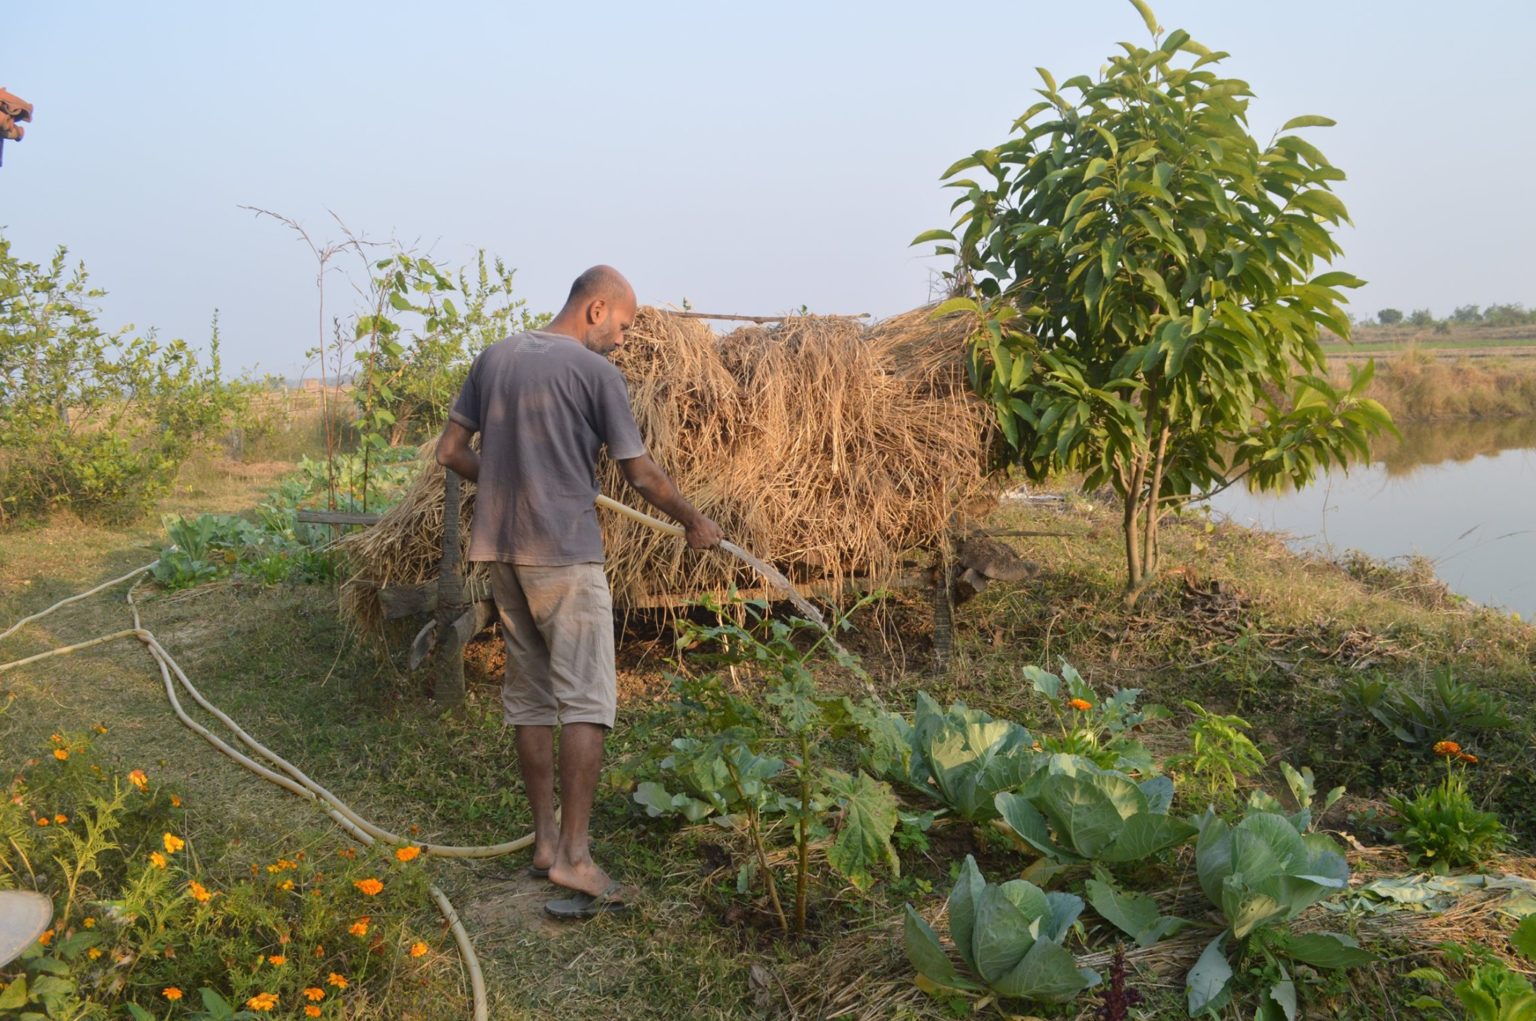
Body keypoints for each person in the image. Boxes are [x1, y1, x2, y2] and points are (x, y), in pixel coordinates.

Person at [435, 265, 721, 918]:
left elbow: (451, 450)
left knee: (532, 698)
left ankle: (543, 845)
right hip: (563, 555)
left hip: (501, 551)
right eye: (621, 326)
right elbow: (642, 473)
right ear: (595, 310)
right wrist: (695, 522)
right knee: (587, 700)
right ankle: (576, 856)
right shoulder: (597, 375)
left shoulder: (495, 356)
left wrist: (507, 482)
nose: (621, 341)